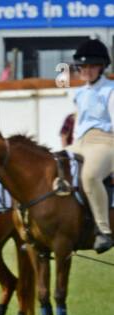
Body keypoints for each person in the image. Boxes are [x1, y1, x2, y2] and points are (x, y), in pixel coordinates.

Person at [68, 38, 114, 253]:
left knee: (90, 176)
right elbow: (78, 123)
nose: (86, 70)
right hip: (80, 142)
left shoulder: (111, 89)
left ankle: (104, 231)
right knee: (55, 169)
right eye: (82, 66)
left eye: (91, 66)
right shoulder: (79, 93)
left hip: (105, 141)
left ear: (101, 67)